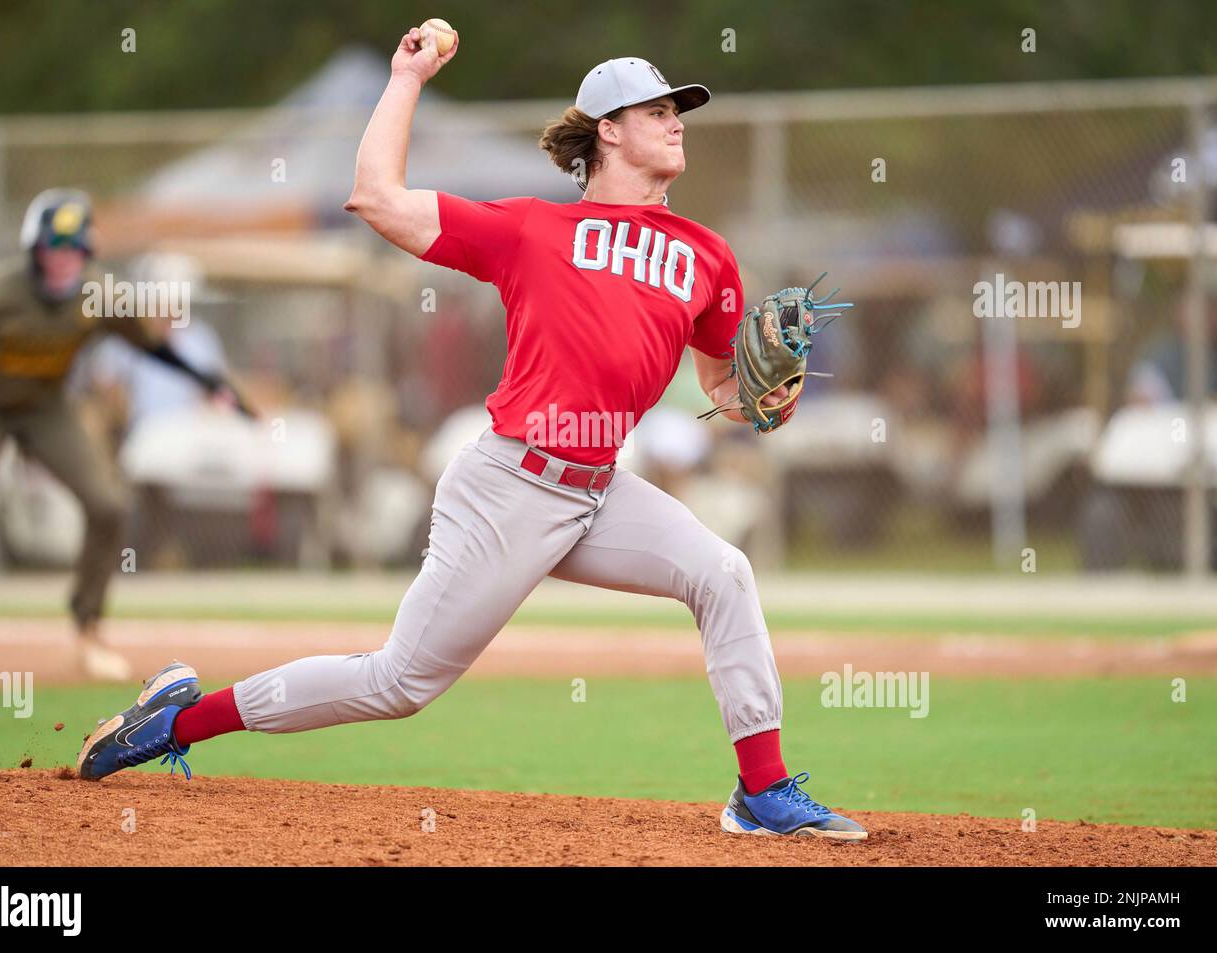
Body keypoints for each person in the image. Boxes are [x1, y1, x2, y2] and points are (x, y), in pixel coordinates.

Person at [74, 27, 868, 841]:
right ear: (609, 129)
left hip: (601, 490)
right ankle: (173, 722)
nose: (678, 123)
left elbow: (727, 393)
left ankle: (762, 792)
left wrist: (777, 392)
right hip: (510, 487)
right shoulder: (533, 231)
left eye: (679, 111)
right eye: (659, 110)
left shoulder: (709, 256)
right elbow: (377, 198)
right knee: (398, 683)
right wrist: (406, 78)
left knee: (724, 573)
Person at [0, 189, 241, 679]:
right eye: (55, 248)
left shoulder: (98, 293)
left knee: (108, 502)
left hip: (47, 407)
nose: (64, 260)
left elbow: (154, 346)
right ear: (35, 250)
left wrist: (211, 385)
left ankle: (87, 628)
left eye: (74, 249)